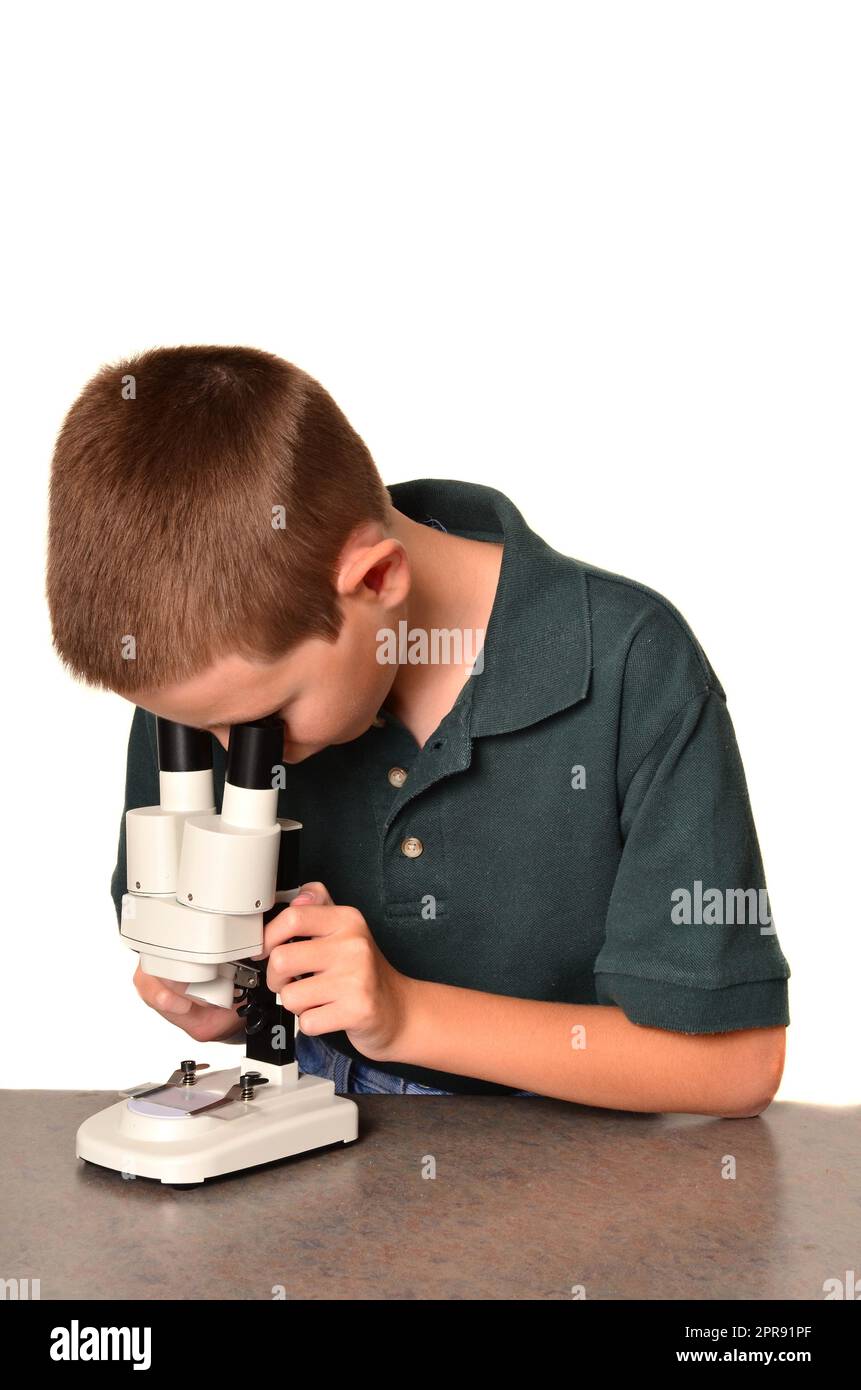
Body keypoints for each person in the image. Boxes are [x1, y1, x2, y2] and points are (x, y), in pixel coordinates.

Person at [46, 345, 790, 1111]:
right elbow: (245, 993)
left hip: (581, 1175)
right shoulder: (209, 670)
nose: (234, 756)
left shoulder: (629, 663)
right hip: (330, 1142)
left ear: (375, 579)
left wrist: (406, 1018)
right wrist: (226, 997)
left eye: (260, 722)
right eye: (192, 728)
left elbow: (734, 1066)